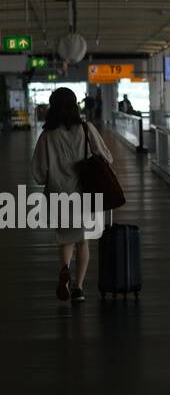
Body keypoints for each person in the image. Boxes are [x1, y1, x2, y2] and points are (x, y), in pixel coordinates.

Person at [30, 87, 113, 304]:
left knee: (66, 238)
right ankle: (78, 287)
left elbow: (38, 173)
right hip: (83, 191)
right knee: (82, 240)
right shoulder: (85, 129)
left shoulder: (47, 135)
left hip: (58, 194)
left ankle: (64, 270)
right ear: (75, 105)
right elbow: (105, 156)